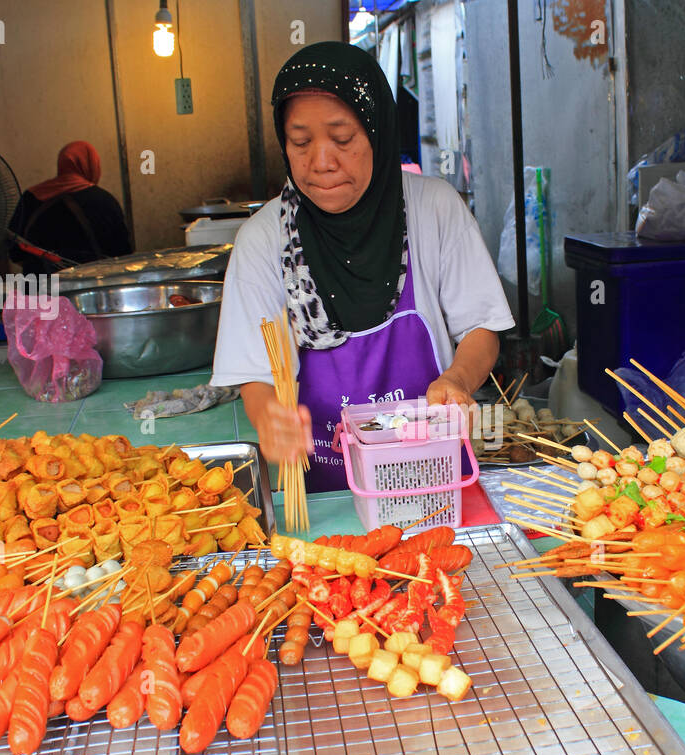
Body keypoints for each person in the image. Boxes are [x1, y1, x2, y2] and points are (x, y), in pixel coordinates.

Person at [211, 41, 514, 492]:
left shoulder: (435, 210)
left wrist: (457, 380)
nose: (321, 162)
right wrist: (268, 416)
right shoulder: (263, 239)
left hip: (434, 476)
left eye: (343, 139)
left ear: (377, 131)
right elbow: (256, 372)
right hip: (321, 497)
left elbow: (482, 328)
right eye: (300, 142)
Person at [8, 141, 133, 275]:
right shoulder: (104, 200)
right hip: (93, 286)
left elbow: (15, 250)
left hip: (40, 287)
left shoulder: (31, 197)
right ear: (91, 165)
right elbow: (123, 253)